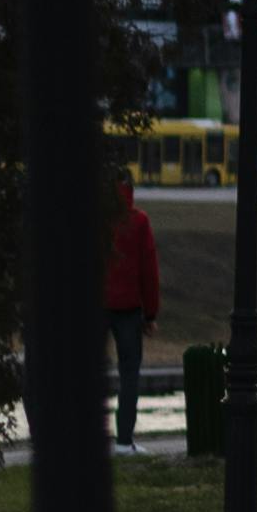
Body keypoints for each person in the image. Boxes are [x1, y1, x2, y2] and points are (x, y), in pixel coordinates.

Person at [102, 167, 164, 444]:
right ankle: (125, 440)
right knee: (129, 374)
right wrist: (150, 314)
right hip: (128, 309)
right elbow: (148, 271)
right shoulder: (139, 221)